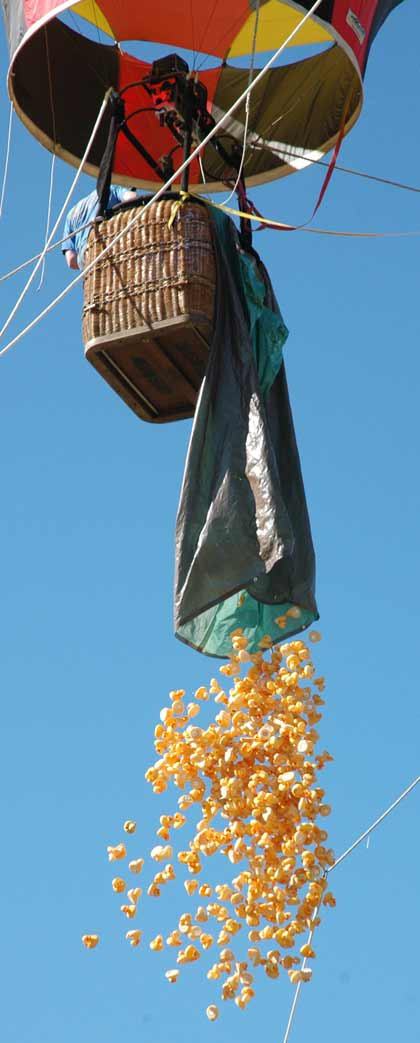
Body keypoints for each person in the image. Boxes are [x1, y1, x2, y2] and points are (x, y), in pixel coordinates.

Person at [62, 185, 137, 270]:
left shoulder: (71, 214)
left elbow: (71, 260)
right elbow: (132, 198)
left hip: (86, 257)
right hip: (108, 244)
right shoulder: (112, 189)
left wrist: (88, 259)